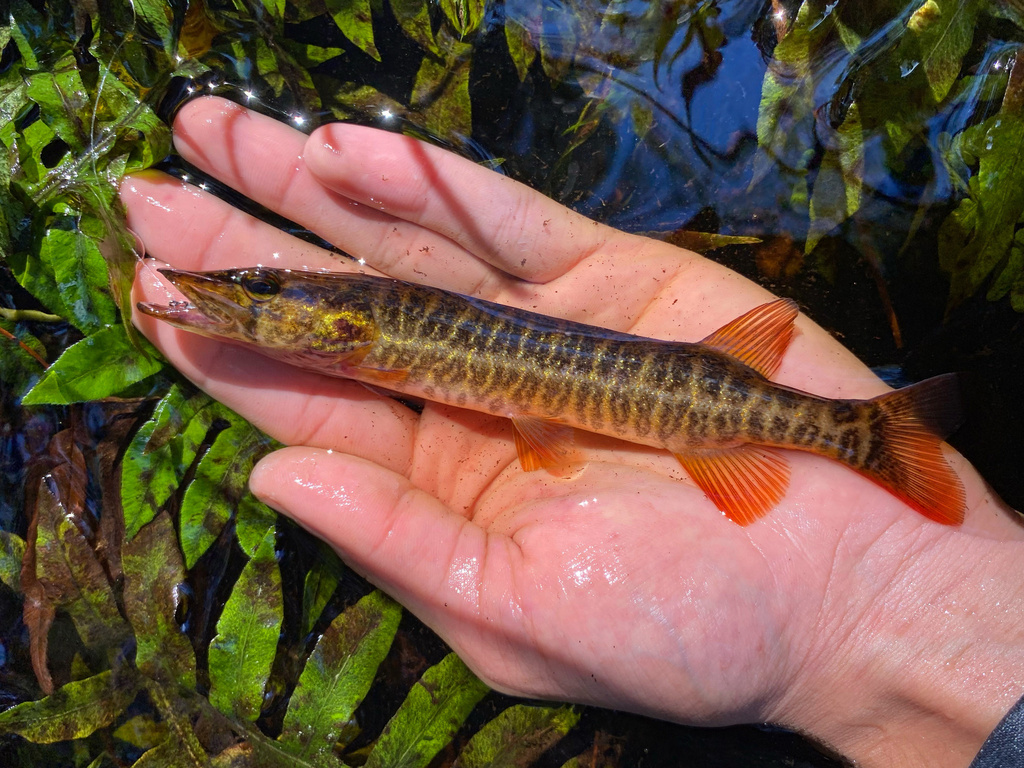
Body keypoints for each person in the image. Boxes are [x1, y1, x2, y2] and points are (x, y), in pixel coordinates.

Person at [125, 95, 1024, 767]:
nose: (250, 295)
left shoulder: (349, 330)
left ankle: (865, 437)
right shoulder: (352, 336)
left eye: (264, 291)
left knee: (734, 413)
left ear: (338, 323)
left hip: (699, 407)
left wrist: (906, 591)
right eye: (259, 291)